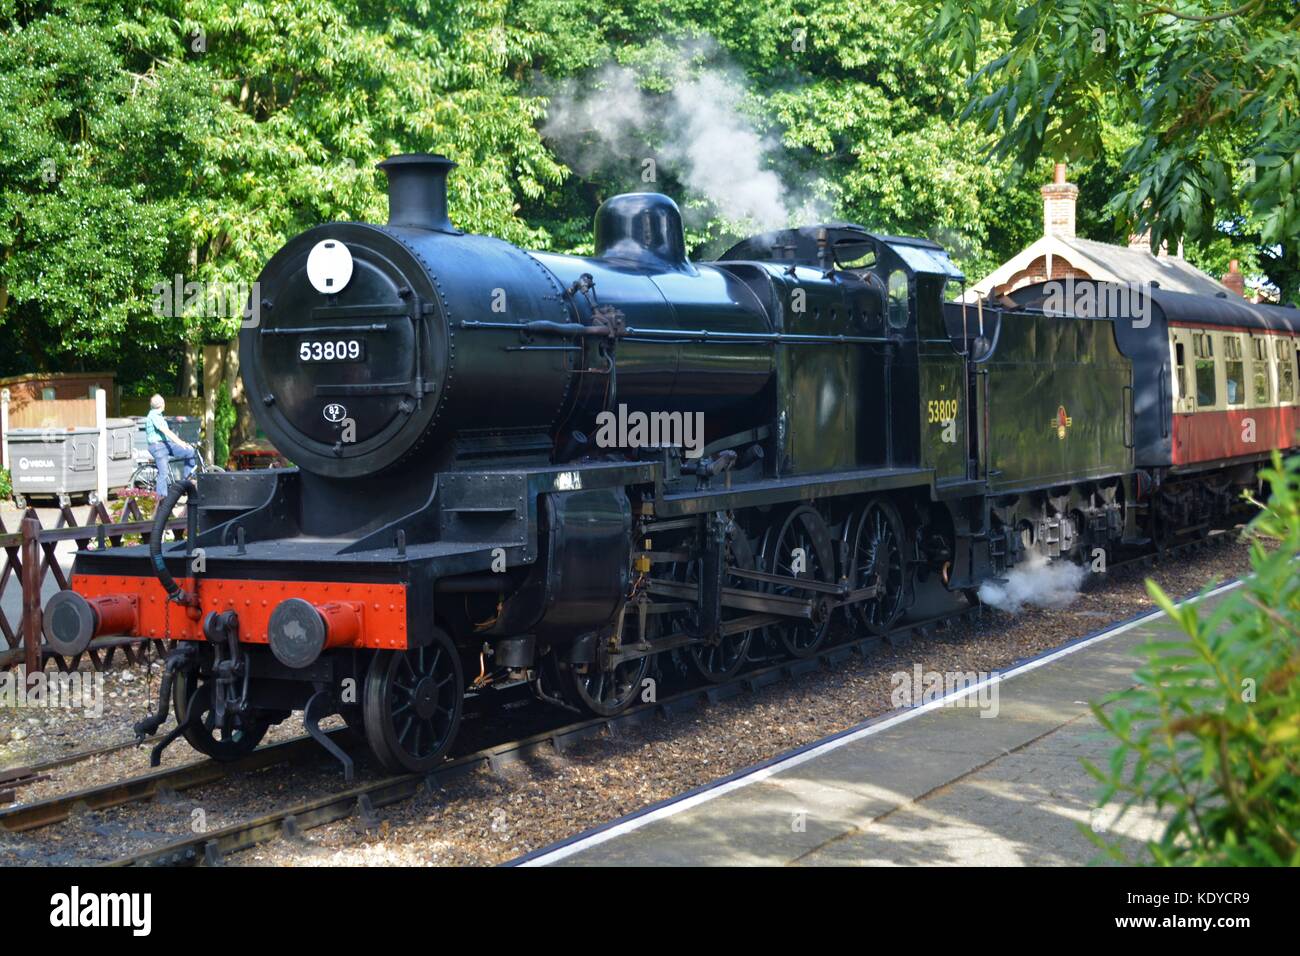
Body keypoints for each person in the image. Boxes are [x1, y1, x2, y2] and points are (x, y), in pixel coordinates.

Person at [144, 395, 197, 497]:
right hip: (158, 447)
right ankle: (161, 501)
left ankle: (187, 482)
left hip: (166, 444)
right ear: (162, 405)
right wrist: (180, 442)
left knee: (189, 451)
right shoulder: (154, 416)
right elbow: (166, 431)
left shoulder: (158, 415)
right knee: (163, 473)